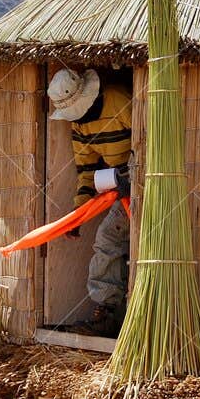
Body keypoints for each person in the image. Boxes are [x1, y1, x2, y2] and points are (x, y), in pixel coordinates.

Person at [48, 67, 132, 337]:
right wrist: (78, 214)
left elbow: (150, 135)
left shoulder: (119, 100)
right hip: (121, 189)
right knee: (112, 240)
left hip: (145, 182)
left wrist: (136, 170)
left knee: (108, 238)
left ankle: (107, 312)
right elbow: (86, 171)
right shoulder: (80, 125)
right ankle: (109, 312)